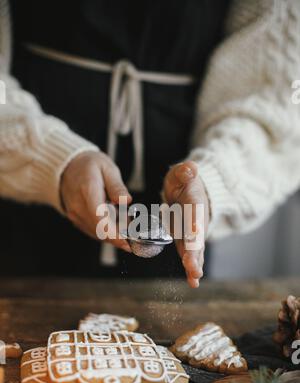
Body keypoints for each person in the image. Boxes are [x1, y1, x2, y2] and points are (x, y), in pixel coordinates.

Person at [0, 0, 299, 287]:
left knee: (165, 331)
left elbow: (274, 101)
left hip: (181, 204)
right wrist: (52, 160)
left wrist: (211, 183)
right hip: (23, 203)